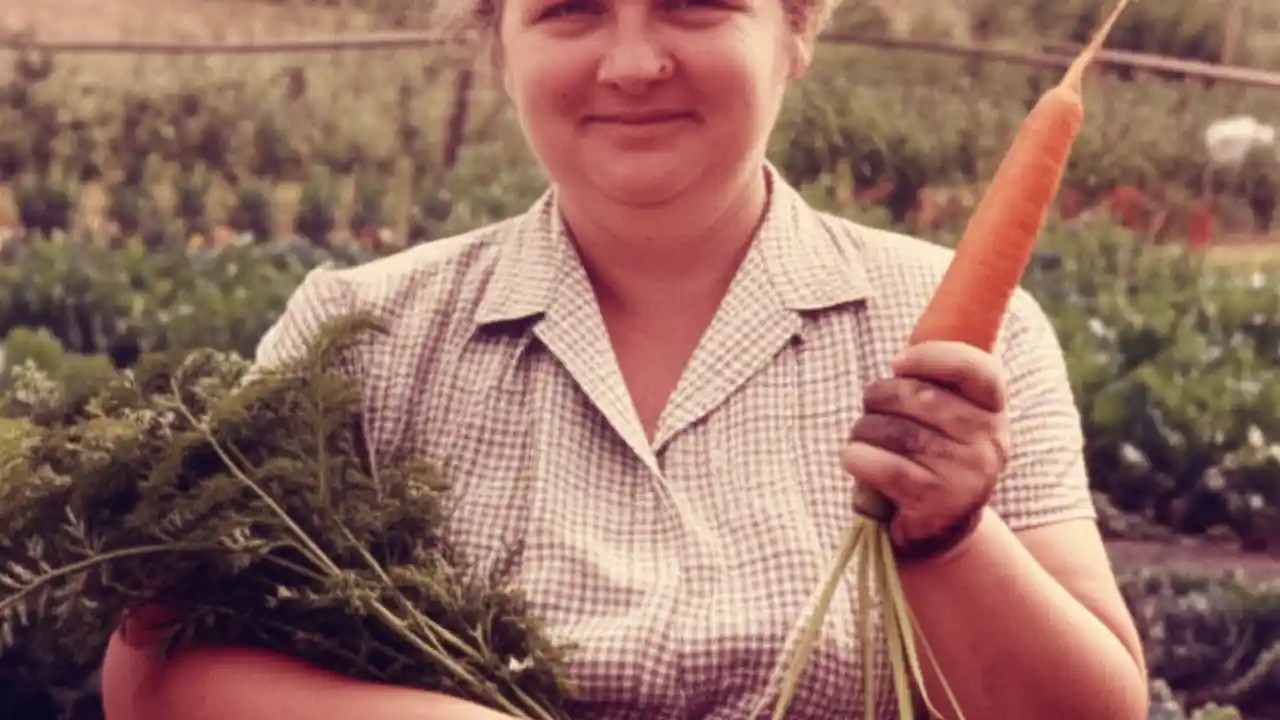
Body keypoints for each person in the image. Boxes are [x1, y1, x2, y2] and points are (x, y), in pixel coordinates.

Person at [100, 0, 1151, 717]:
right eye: (568, 6)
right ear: (497, 40)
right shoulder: (363, 334)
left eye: (694, 2)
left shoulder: (965, 333)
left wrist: (950, 537)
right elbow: (153, 670)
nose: (634, 61)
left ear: (793, 29)